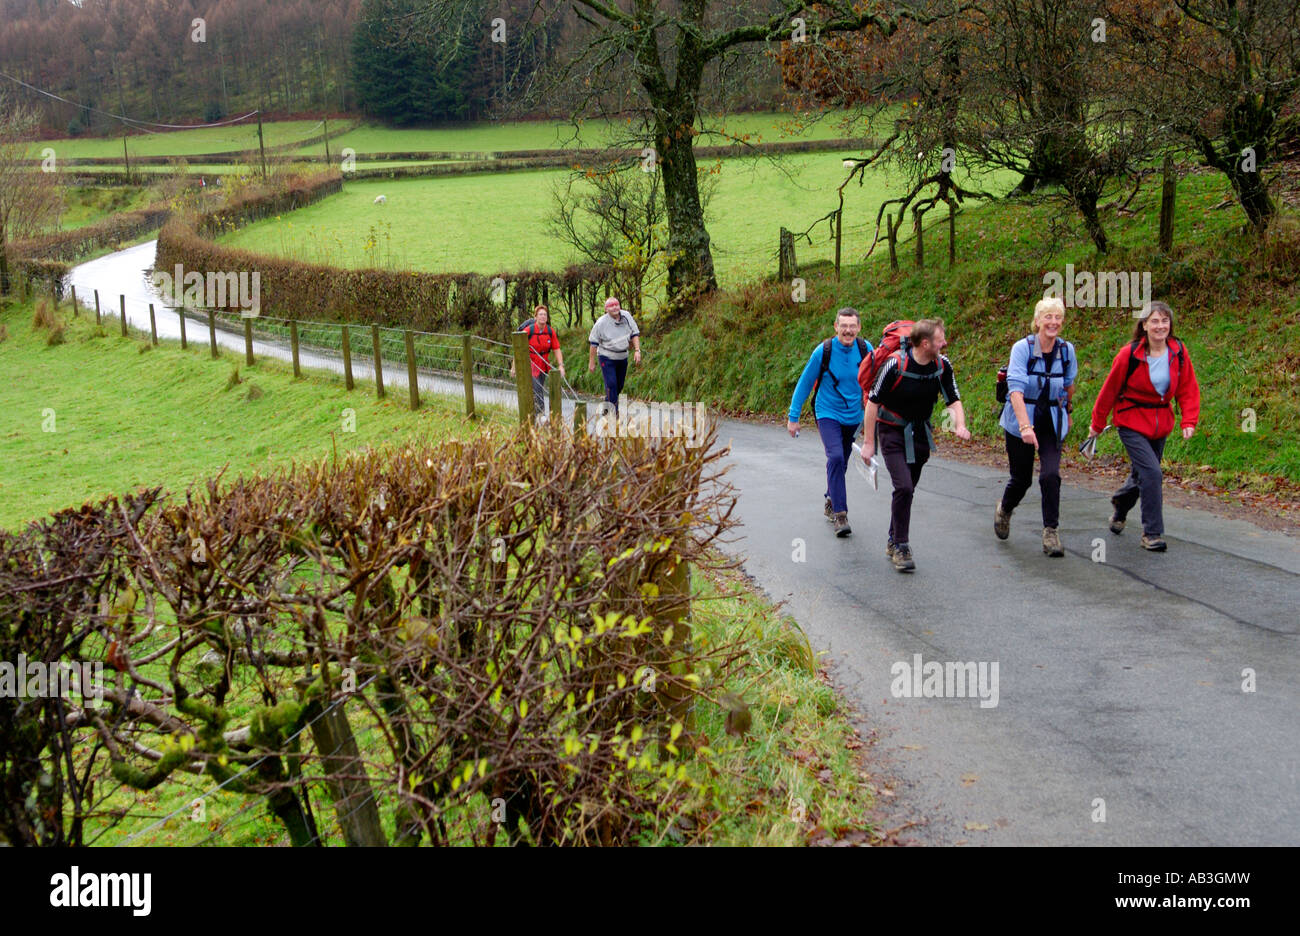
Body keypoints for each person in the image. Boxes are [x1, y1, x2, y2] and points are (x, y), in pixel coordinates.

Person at [1085, 301, 1200, 551]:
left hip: (1161, 423)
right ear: (1144, 325)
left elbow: (1188, 387)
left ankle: (1120, 506)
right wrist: (1097, 422)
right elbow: (1110, 389)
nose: (1160, 326)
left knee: (1142, 475)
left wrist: (1188, 420)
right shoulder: (1130, 354)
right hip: (1131, 421)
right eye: (1155, 321)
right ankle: (1152, 533)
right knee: (1152, 474)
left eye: (1164, 321)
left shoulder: (1178, 351)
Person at [860, 317, 970, 571]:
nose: (945, 342)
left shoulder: (942, 365)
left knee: (906, 491)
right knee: (905, 487)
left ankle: (892, 537)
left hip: (920, 433)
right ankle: (901, 546)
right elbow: (873, 403)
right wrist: (868, 443)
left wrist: (960, 425)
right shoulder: (895, 364)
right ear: (924, 343)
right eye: (940, 339)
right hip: (891, 432)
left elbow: (953, 399)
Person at [993, 297, 1078, 557]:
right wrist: (1025, 426)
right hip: (1021, 419)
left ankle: (1050, 532)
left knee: (1050, 475)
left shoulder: (1066, 350)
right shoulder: (1023, 348)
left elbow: (1068, 385)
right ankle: (1005, 509)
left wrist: (1068, 410)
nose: (1053, 322)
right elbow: (1015, 390)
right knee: (1021, 479)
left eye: (1057, 317)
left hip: (1051, 420)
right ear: (1037, 320)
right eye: (1047, 317)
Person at [787, 308, 873, 537]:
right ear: (836, 327)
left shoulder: (866, 350)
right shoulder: (823, 351)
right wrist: (793, 417)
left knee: (841, 462)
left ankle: (830, 498)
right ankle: (840, 514)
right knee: (835, 457)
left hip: (854, 415)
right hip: (827, 412)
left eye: (852, 326)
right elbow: (805, 383)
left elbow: (877, 383)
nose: (848, 330)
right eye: (843, 326)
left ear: (858, 328)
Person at [588, 297, 641, 414]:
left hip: (622, 356)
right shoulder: (601, 323)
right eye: (611, 306)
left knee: (619, 386)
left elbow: (635, 334)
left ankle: (607, 406)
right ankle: (614, 413)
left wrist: (637, 350)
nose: (615, 307)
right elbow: (593, 343)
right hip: (606, 357)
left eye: (616, 304)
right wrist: (591, 362)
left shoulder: (626, 316)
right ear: (606, 309)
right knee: (611, 384)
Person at [510, 305, 564, 418]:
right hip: (530, 364)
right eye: (540, 314)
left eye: (545, 315)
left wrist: (560, 365)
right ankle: (541, 415)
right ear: (536, 317)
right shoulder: (528, 330)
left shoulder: (550, 331)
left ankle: (532, 414)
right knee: (537, 388)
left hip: (544, 364)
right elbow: (518, 348)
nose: (543, 317)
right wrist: (514, 367)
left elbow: (557, 349)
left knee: (538, 388)